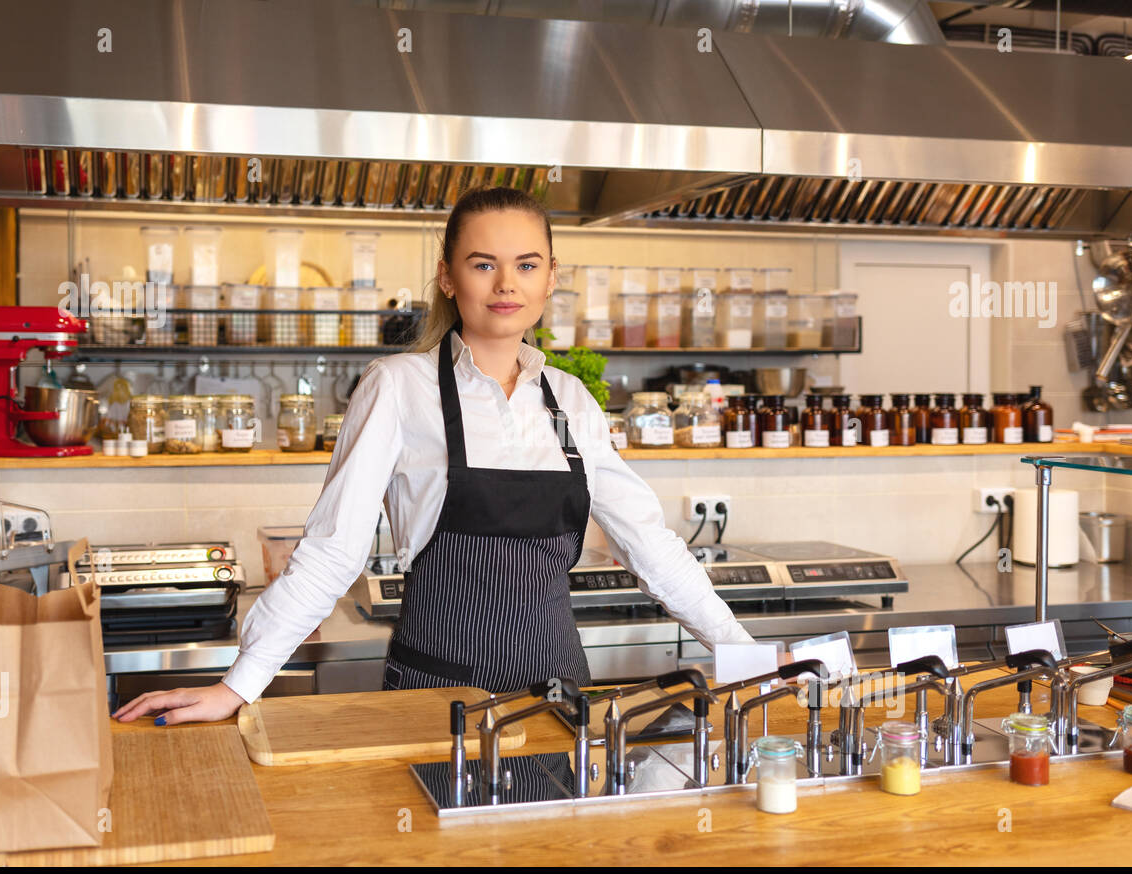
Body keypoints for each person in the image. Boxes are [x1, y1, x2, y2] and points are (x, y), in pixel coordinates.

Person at [113, 186, 755, 727]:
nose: (507, 284)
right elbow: (334, 549)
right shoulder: (397, 386)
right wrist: (240, 683)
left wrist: (746, 655)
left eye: (528, 265)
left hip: (558, 705)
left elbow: (651, 547)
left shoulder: (571, 401)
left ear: (552, 277)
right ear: (448, 275)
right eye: (483, 264)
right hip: (437, 700)